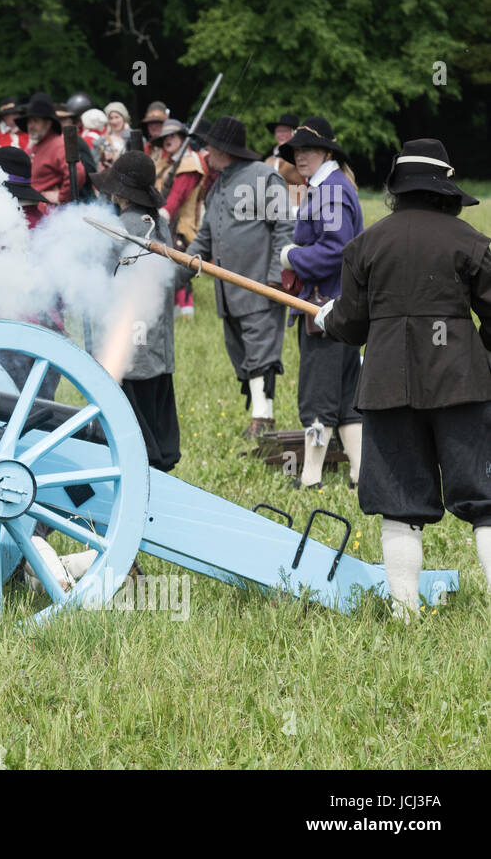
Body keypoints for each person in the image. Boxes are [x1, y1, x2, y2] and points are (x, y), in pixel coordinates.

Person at [318, 139, 491, 617]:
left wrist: (326, 320)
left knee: (399, 504)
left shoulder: (365, 245)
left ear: (398, 190)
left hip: (388, 387)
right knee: (485, 499)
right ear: (444, 188)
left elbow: (350, 327)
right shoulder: (472, 242)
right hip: (462, 386)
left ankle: (404, 611)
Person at [183, 115, 292, 438]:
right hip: (228, 292)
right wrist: (175, 271)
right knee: (241, 353)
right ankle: (259, 413)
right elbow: (204, 238)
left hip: (259, 284)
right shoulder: (218, 185)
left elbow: (285, 226)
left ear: (223, 150)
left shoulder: (263, 177)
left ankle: (263, 418)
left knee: (261, 353)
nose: (205, 152)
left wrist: (275, 277)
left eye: (210, 147)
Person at [276, 116, 364, 488]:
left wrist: (292, 256)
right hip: (340, 307)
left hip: (324, 308)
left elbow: (336, 249)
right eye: (296, 150)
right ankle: (361, 474)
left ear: (327, 151)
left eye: (307, 149)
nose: (300, 156)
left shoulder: (329, 189)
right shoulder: (331, 186)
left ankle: (310, 477)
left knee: (317, 397)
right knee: (346, 396)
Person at [91, 150, 181, 472]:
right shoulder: (158, 225)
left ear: (119, 194)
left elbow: (98, 289)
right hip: (157, 348)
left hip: (128, 351)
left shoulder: (117, 230)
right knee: (159, 439)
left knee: (137, 442)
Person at [149, 118, 207, 317]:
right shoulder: (165, 163)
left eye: (172, 135)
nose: (168, 140)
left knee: (178, 268)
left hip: (181, 224)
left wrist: (162, 216)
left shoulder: (189, 164)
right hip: (164, 221)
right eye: (165, 136)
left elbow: (178, 196)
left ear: (183, 138)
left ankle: (185, 312)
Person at [23, 94, 85, 204]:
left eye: (36, 121)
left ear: (48, 123)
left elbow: (77, 173)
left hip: (50, 214)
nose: (30, 125)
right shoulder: (36, 144)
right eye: (29, 121)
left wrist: (62, 197)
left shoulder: (58, 145)